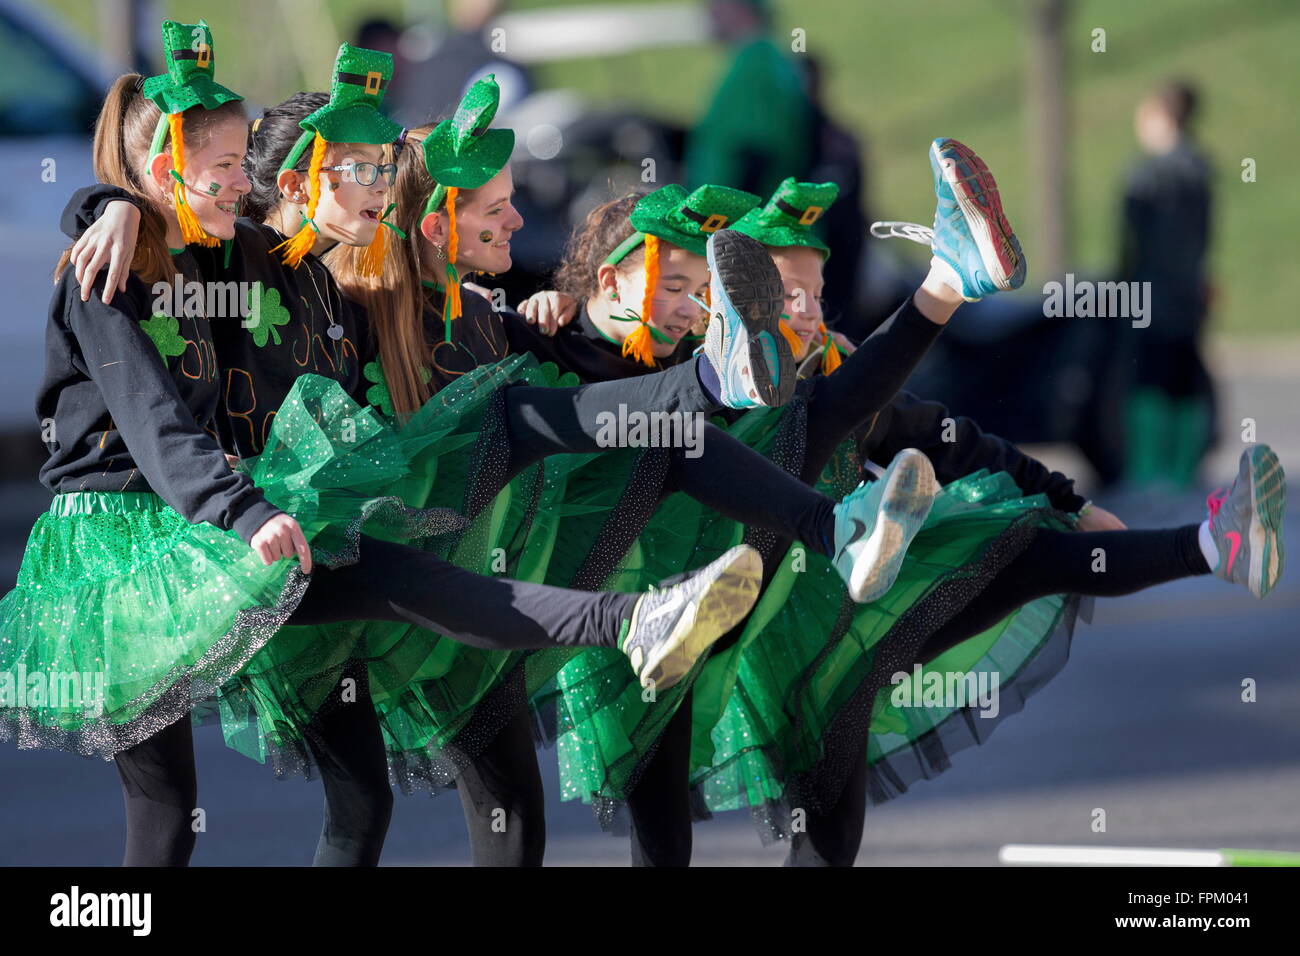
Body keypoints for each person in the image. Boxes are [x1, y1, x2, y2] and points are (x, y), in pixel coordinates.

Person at [1120, 79, 1215, 491]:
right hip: (1187, 290)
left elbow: (1136, 244)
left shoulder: (1149, 175)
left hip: (1153, 292)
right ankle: (1181, 471)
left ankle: (1148, 469)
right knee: (1185, 374)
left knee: (1147, 375)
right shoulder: (1200, 170)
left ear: (1161, 116)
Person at [685, 0, 812, 197]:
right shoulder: (770, 58)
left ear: (741, 9)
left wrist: (729, 220)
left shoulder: (755, 63)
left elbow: (756, 152)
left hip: (749, 220)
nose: (709, 12)